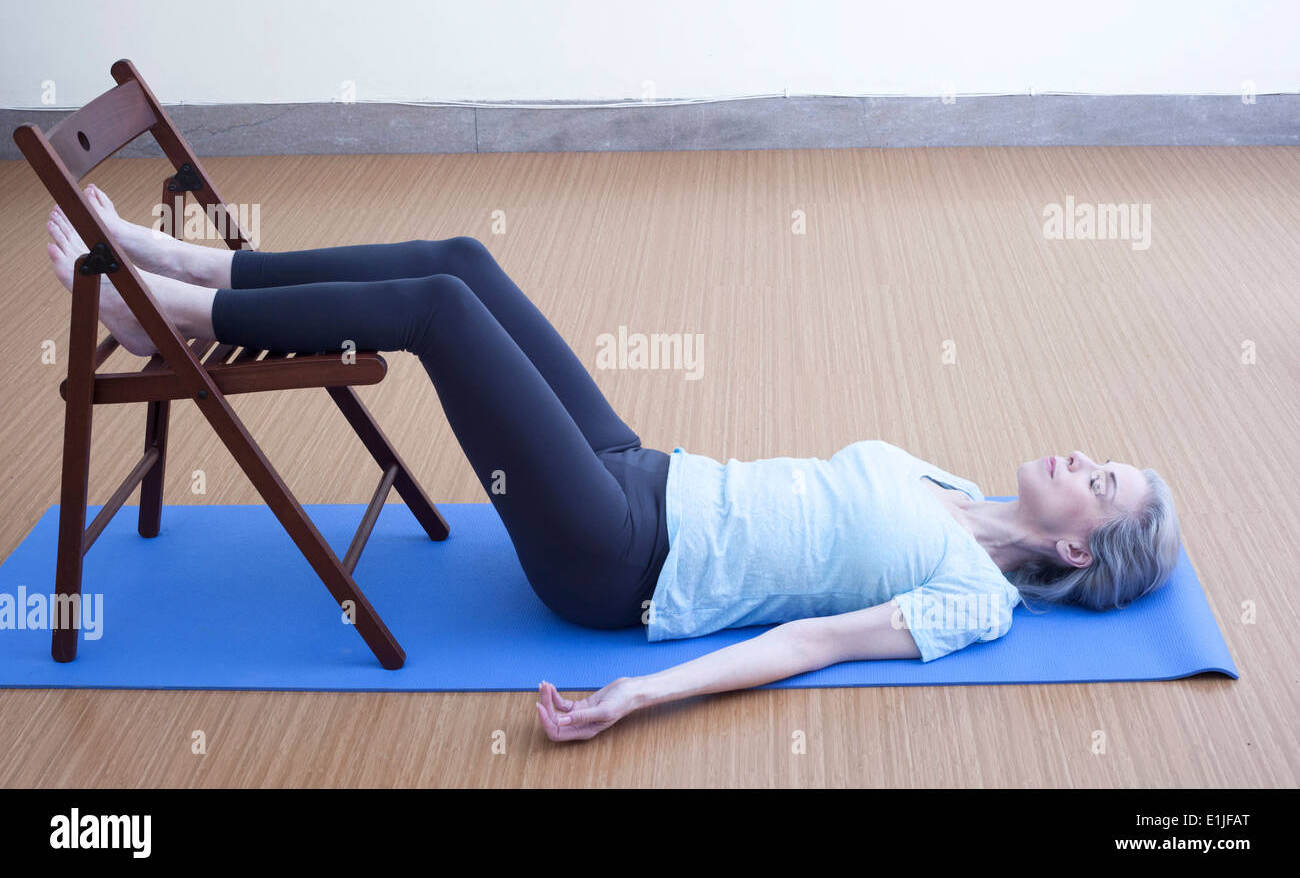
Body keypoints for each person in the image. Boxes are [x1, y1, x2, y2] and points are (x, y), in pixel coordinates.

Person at [42, 185, 1181, 743]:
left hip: (617, 558)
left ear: (1081, 542)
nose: (1081, 457)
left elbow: (807, 642)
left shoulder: (975, 600)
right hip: (635, 468)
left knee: (438, 310)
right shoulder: (949, 481)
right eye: (1100, 456)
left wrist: (641, 693)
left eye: (1101, 478)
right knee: (463, 258)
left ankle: (171, 314)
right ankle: (197, 264)